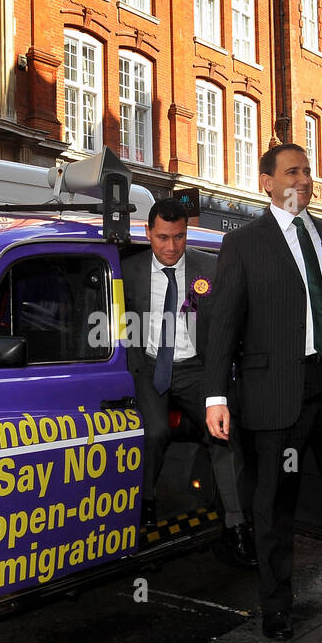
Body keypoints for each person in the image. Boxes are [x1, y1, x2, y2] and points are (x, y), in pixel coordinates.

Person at [203, 144, 322, 640]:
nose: (302, 179)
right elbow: (222, 324)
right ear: (266, 182)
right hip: (280, 390)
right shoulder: (244, 244)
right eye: (291, 172)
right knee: (275, 502)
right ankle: (276, 605)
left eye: (306, 170)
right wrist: (215, 394)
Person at [123, 198, 254, 566]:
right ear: (148, 233)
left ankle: (236, 525)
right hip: (149, 367)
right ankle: (146, 503)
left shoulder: (209, 268)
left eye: (179, 237)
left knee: (223, 436)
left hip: (197, 369)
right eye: (163, 237)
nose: (170, 247)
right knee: (155, 433)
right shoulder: (128, 270)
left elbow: (232, 322)